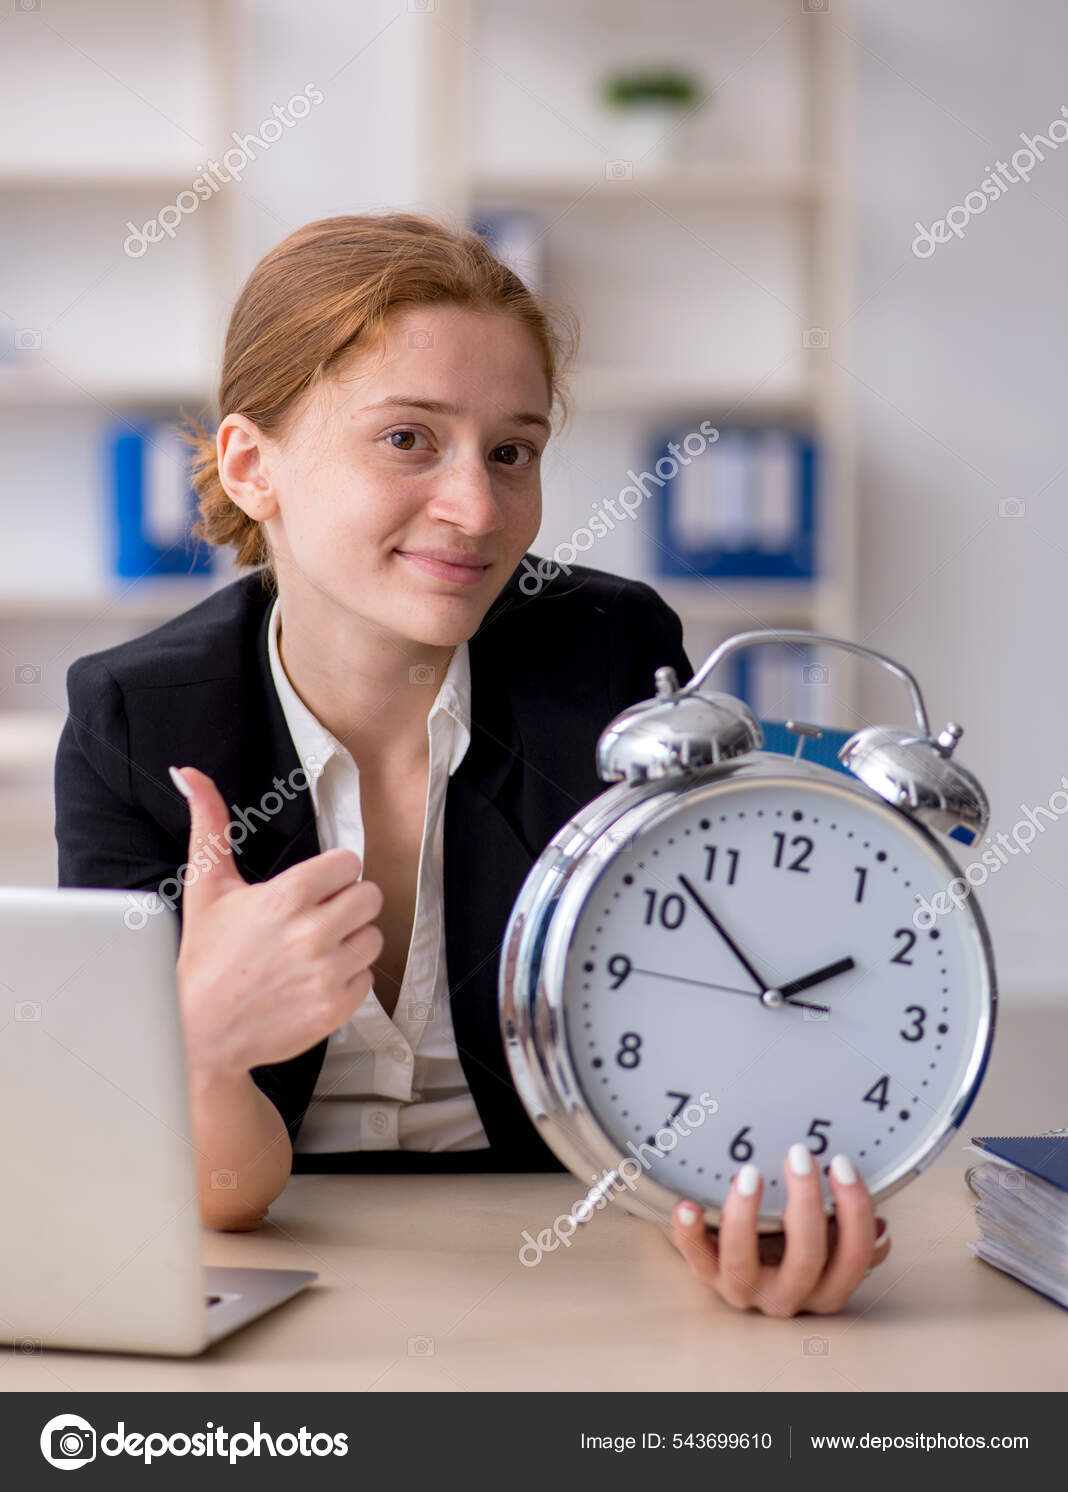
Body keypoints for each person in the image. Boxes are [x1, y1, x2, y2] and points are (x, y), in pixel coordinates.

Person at [54, 212, 890, 1317]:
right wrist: (201, 1041)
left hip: (568, 1256)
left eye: (514, 450)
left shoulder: (607, 656)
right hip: (289, 1265)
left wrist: (748, 1214)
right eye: (408, 437)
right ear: (252, 465)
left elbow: (706, 1028)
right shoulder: (136, 719)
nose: (477, 507)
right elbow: (215, 1198)